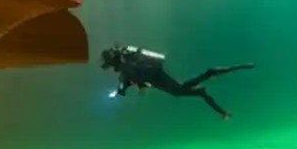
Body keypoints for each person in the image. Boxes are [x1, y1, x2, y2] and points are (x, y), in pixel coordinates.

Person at [100, 44, 253, 119]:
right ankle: (215, 101)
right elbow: (126, 83)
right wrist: (120, 91)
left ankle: (212, 74)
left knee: (179, 90)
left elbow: (127, 82)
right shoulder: (126, 65)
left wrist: (119, 92)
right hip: (155, 77)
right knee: (180, 91)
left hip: (156, 76)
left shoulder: (126, 66)